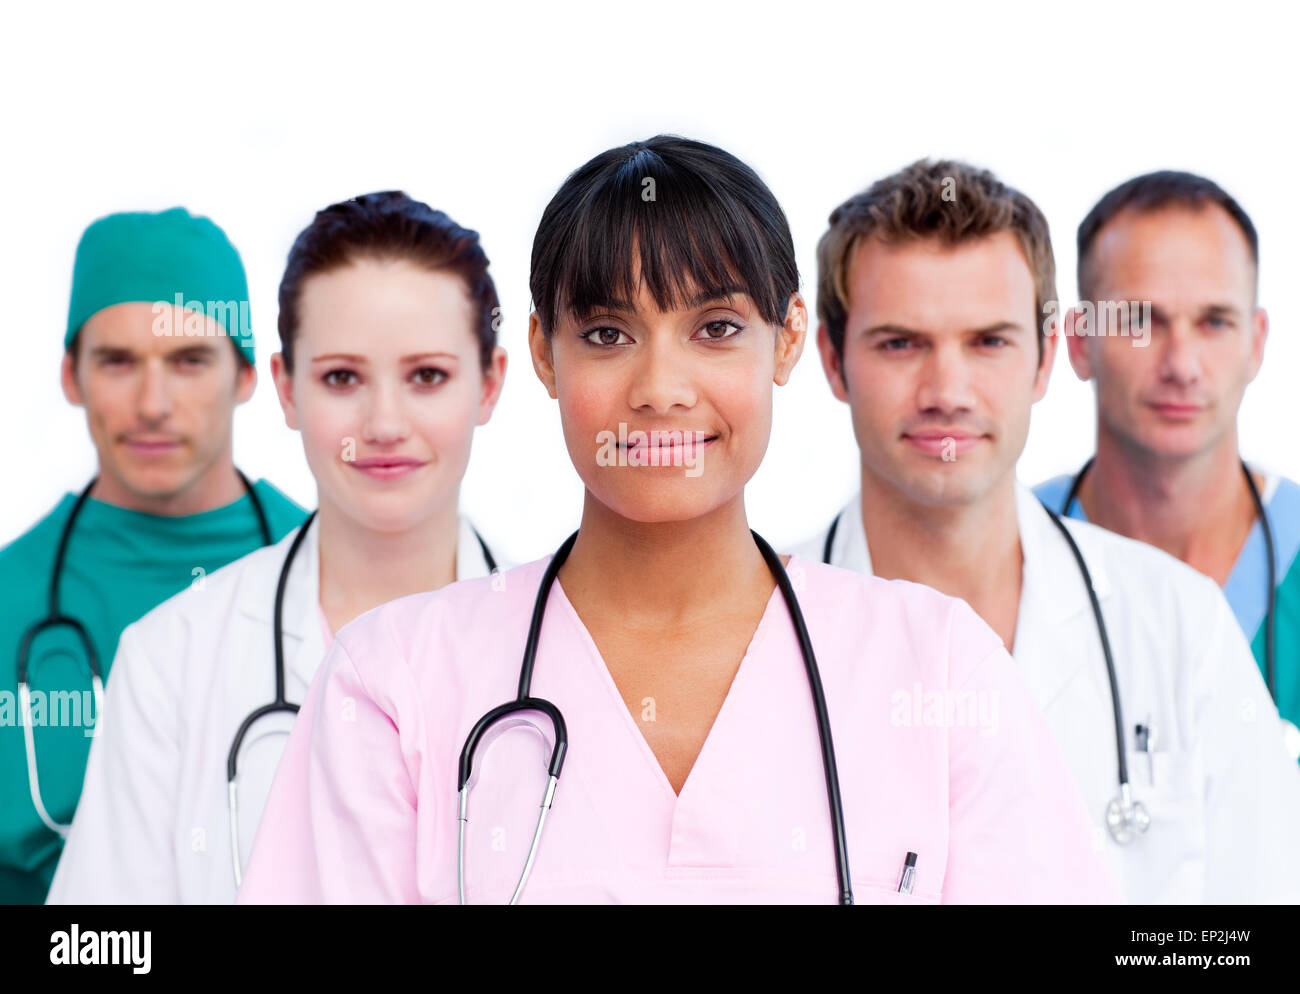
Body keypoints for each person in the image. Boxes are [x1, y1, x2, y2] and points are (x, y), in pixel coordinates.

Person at [237, 136, 1119, 905]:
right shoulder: (393, 685)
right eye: (609, 333)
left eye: (716, 327)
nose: (659, 388)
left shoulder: (939, 667)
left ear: (785, 342)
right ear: (544, 353)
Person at [793, 159, 1300, 903]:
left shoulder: (1181, 624)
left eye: (989, 341)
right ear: (834, 362)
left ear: (1044, 359)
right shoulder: (758, 640)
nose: (947, 393)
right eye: (900, 343)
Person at [45, 192, 507, 904]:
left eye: (427, 376)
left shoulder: (571, 657)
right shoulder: (170, 659)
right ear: (287, 389)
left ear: (490, 383)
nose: (384, 423)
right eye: (342, 378)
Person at [0, 208, 305, 903]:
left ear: (249, 376)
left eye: (190, 360)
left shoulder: (343, 578)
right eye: (117, 362)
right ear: (71, 377)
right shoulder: (8, 598)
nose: (153, 403)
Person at [1034, 171, 1300, 756]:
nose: (1182, 364)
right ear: (1079, 341)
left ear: (1256, 342)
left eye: (1214, 322)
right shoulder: (1002, 551)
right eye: (1140, 321)